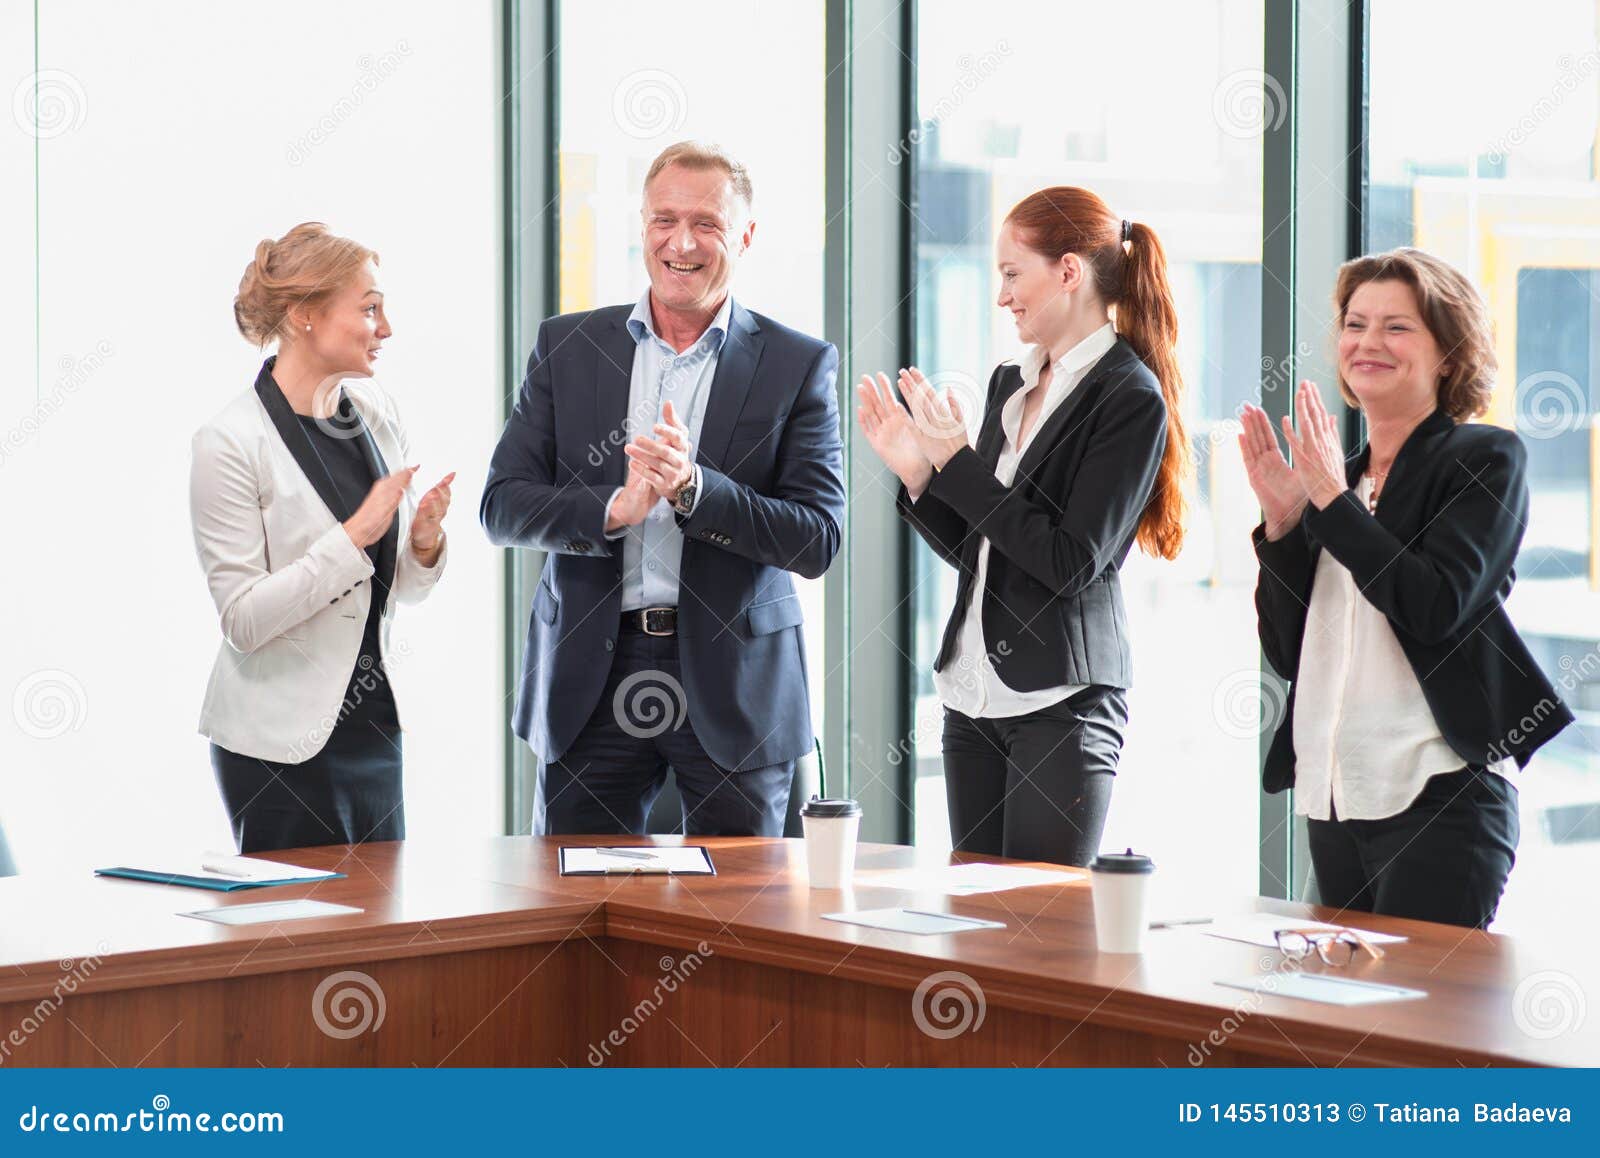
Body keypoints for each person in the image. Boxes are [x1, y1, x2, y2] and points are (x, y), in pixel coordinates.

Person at [481, 141, 845, 837]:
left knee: (741, 921)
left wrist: (695, 489)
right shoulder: (568, 347)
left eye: (707, 224)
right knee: (575, 914)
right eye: (663, 220)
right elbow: (502, 506)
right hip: (590, 675)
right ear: (641, 225)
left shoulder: (797, 364)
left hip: (736, 683)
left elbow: (817, 539)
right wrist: (609, 510)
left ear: (745, 235)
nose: (682, 243)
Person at [1241, 247, 1573, 929]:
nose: (1367, 342)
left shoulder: (1483, 458)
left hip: (1439, 797)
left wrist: (1332, 506)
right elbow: (1289, 653)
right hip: (1335, 797)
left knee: (1418, 1028)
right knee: (1345, 1028)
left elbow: (1434, 603)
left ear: (1448, 354)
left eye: (1397, 327)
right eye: (1355, 323)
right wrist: (1283, 525)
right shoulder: (1338, 476)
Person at [857, 186, 1189, 866]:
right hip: (972, 696)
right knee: (977, 925)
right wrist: (922, 475)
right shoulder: (1011, 381)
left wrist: (956, 462)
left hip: (1062, 704)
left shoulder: (1128, 395)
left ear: (1069, 272)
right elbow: (988, 550)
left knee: (1041, 934)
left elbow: (1068, 561)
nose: (1002, 296)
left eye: (1013, 274)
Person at [192, 222, 454, 854]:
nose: (385, 327)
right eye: (369, 309)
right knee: (296, 940)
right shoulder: (227, 443)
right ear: (306, 315)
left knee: (379, 937)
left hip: (372, 734)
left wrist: (420, 543)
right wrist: (356, 534)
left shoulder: (373, 413)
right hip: (276, 747)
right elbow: (244, 621)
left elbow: (398, 595)